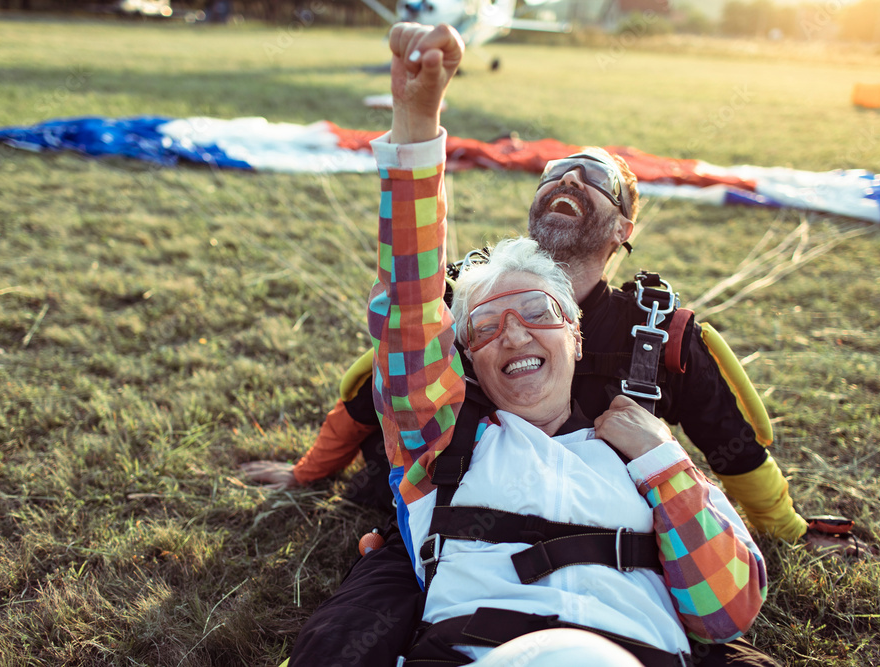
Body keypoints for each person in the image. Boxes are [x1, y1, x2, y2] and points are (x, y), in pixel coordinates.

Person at [292, 22, 773, 667]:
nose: (512, 331)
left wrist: (662, 464)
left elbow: (726, 612)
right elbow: (408, 306)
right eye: (484, 326)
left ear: (575, 332)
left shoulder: (651, 456)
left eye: (535, 312)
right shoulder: (442, 445)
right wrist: (416, 119)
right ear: (468, 360)